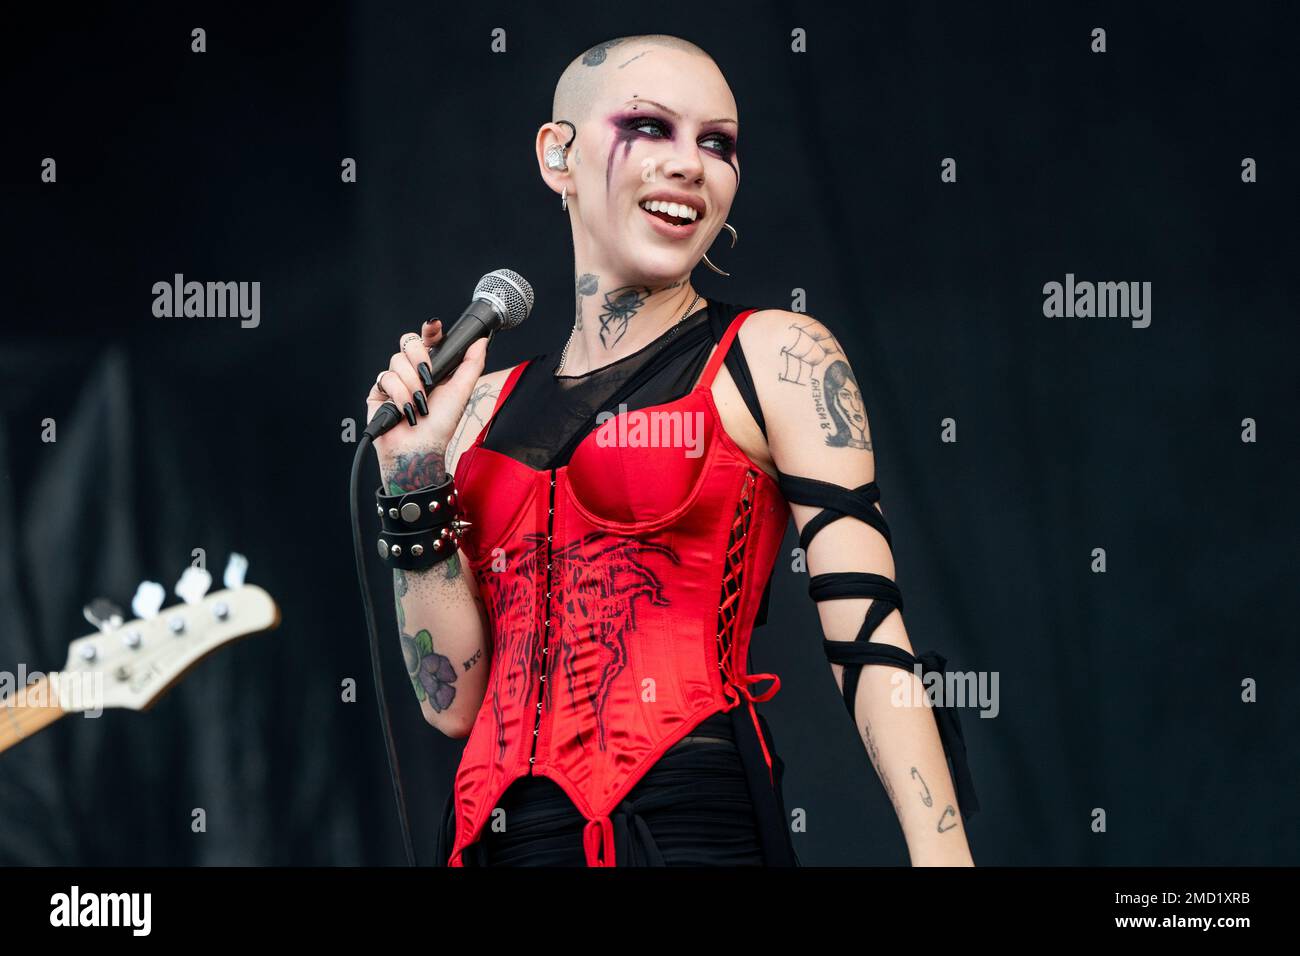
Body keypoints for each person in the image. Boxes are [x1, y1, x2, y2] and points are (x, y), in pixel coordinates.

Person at [364, 34, 978, 867]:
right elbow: (454, 702)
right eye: (651, 128)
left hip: (687, 826)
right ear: (559, 156)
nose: (691, 164)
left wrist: (944, 857)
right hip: (494, 840)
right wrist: (411, 470)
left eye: (718, 142)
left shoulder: (775, 356)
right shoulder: (473, 404)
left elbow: (870, 634)